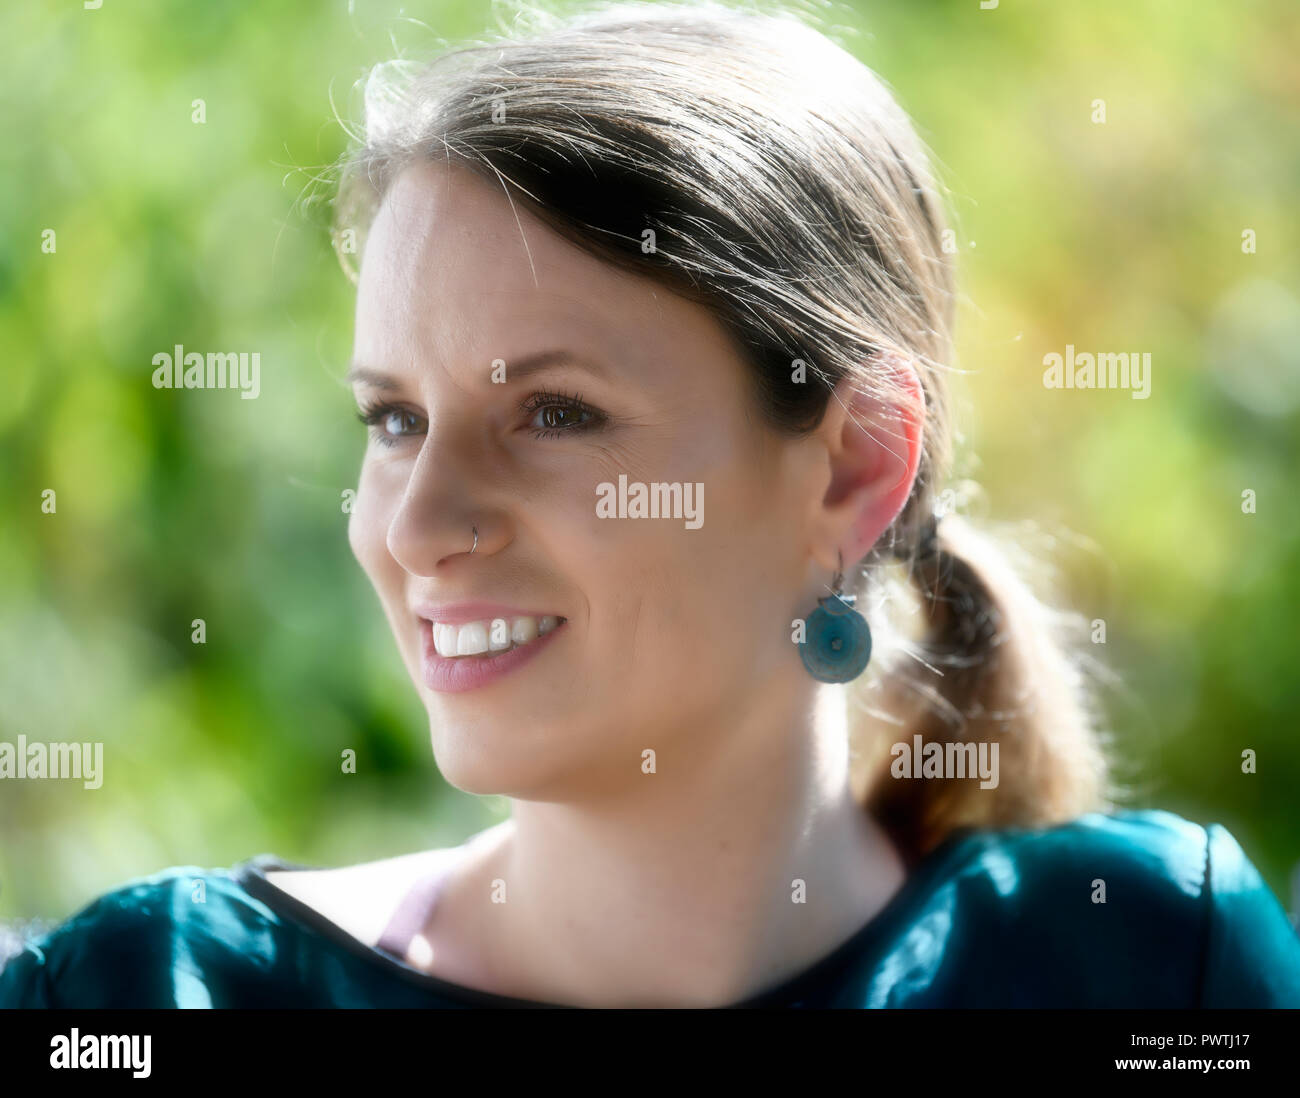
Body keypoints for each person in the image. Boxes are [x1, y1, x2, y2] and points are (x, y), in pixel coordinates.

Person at [3, 0, 1298, 1009]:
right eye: (393, 419)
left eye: (553, 413)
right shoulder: (149, 996)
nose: (414, 524)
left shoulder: (1148, 963)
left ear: (855, 464)